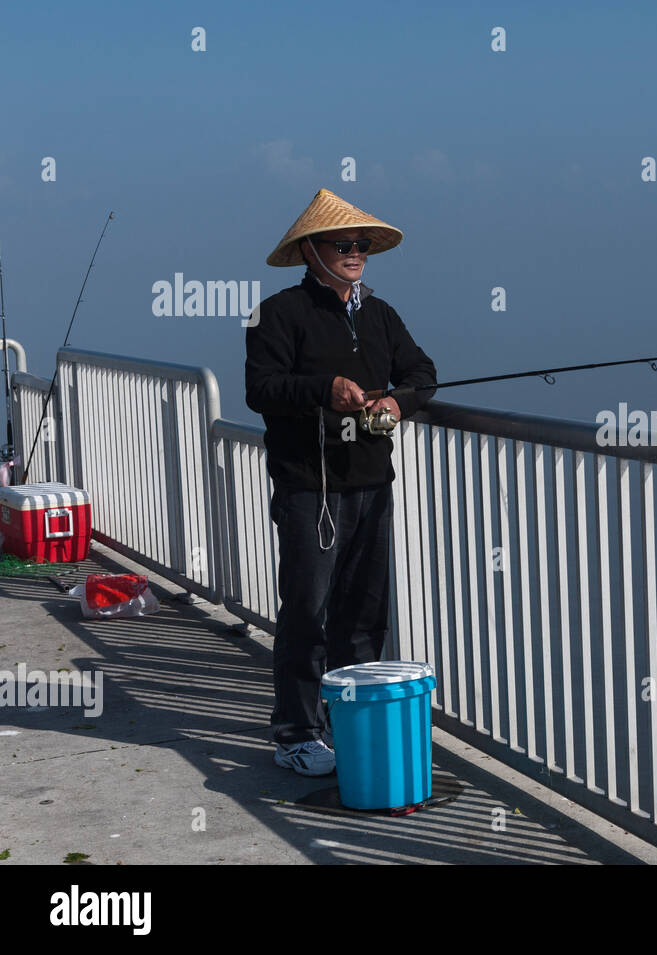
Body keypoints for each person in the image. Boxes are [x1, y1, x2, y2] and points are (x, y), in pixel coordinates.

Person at [246, 188, 437, 776]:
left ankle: (345, 721)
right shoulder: (277, 313)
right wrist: (324, 389)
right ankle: (296, 733)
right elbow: (262, 389)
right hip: (311, 489)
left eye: (361, 246)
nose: (355, 254)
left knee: (365, 614)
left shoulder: (382, 314)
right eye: (343, 245)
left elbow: (422, 373)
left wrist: (397, 404)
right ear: (311, 251)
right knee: (307, 610)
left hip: (372, 484)